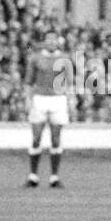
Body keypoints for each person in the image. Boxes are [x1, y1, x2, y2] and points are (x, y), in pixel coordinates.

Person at [25, 31, 70, 188]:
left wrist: (70, 98)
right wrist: (28, 100)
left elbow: (69, 81)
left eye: (54, 39)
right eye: (48, 39)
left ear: (58, 41)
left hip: (58, 99)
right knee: (36, 137)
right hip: (40, 99)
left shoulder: (65, 58)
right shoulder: (35, 58)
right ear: (44, 41)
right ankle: (33, 176)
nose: (51, 42)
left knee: (56, 138)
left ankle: (54, 177)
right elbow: (29, 81)